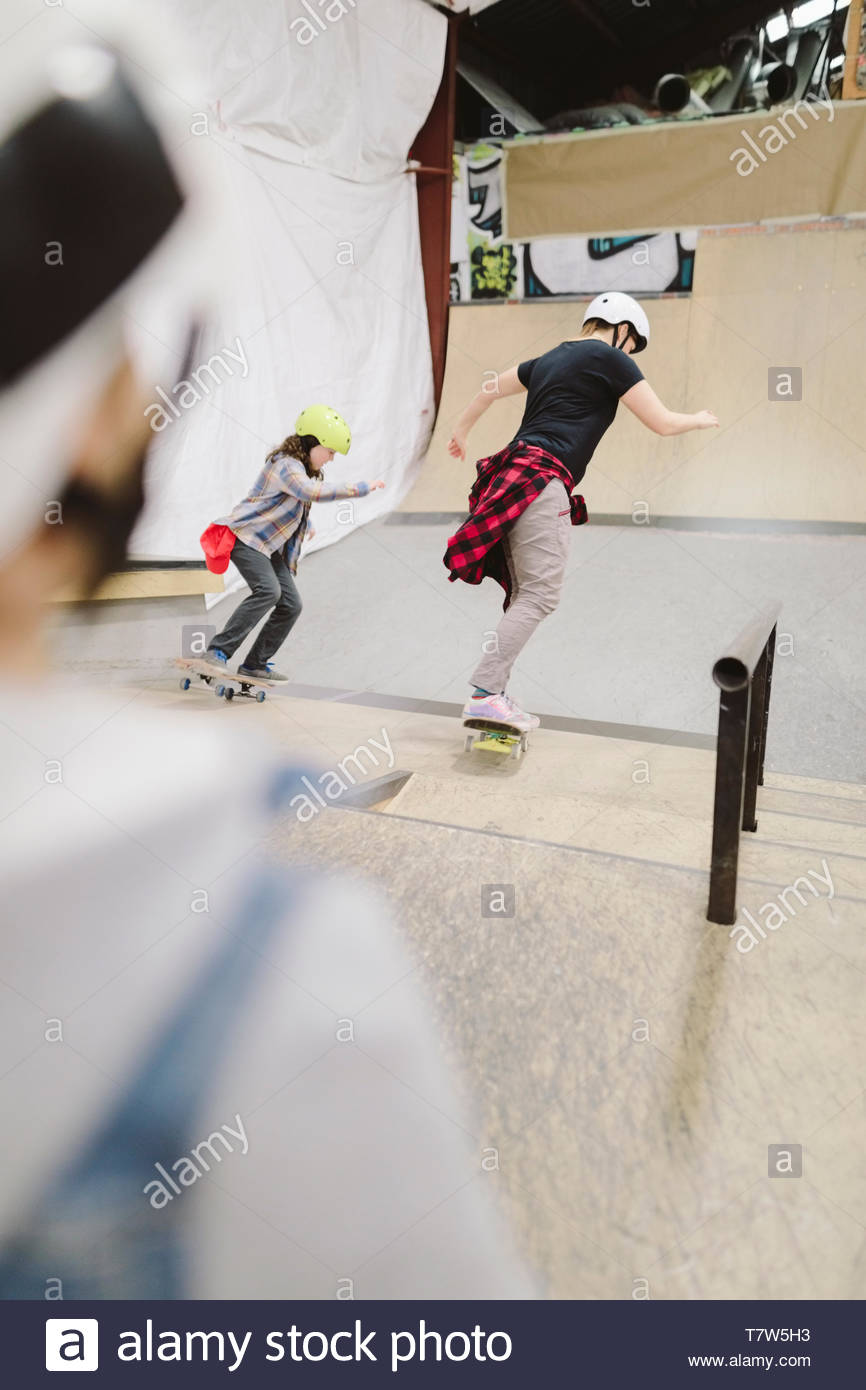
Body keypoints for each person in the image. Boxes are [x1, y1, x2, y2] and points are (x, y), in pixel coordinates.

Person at [0, 4, 532, 1301]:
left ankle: (235, 652)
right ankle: (232, 653)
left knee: (277, 599)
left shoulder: (298, 464)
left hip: (257, 547)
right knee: (275, 595)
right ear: (109, 423)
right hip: (246, 550)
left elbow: (316, 478)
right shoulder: (272, 963)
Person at [443, 290, 719, 732]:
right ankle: (485, 695)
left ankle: (493, 692)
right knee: (541, 594)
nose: (631, 354)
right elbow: (663, 422)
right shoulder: (612, 358)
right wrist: (699, 419)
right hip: (542, 480)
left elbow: (489, 388)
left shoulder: (547, 359)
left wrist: (460, 428)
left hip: (509, 474)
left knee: (524, 593)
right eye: (632, 345)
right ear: (623, 331)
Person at [200, 409, 385, 682]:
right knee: (268, 592)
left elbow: (289, 503)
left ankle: (254, 663)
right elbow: (309, 492)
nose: (331, 458)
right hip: (246, 539)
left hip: (268, 547)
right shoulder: (286, 464)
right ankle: (216, 652)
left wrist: (304, 524)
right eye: (330, 451)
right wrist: (360, 488)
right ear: (312, 442)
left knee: (291, 604)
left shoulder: (299, 469)